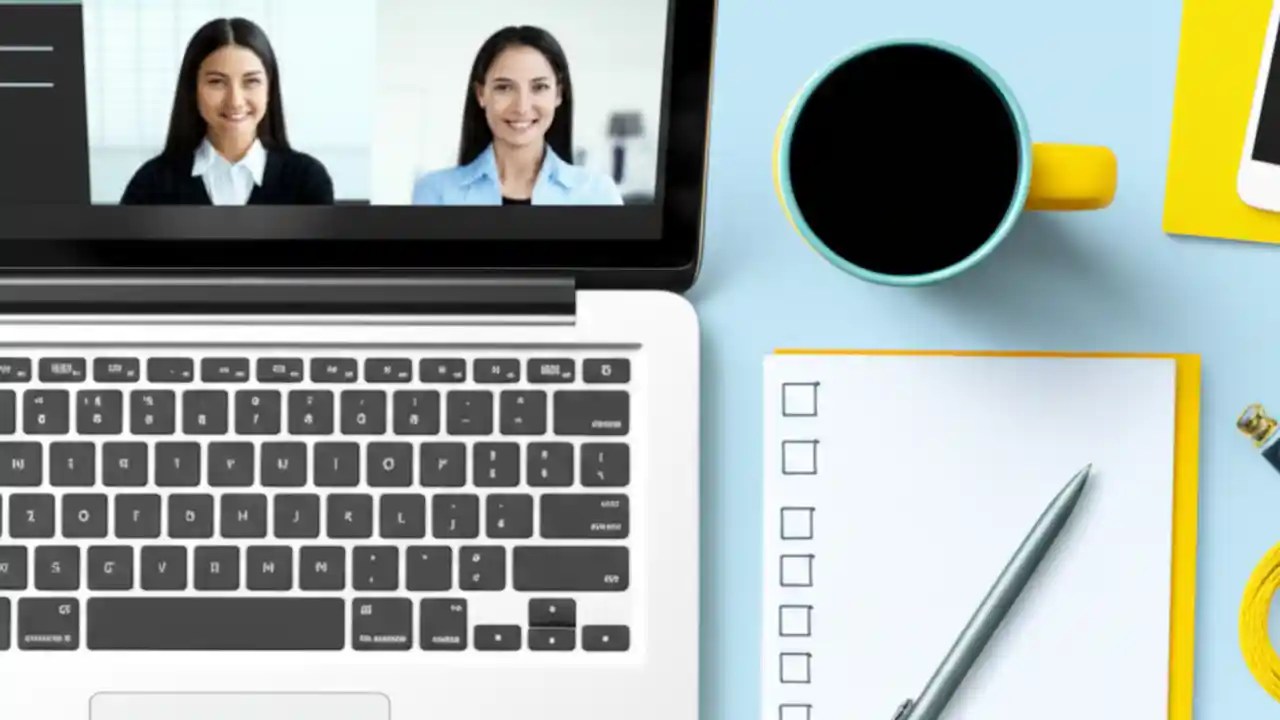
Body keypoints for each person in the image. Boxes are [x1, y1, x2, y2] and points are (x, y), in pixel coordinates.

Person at [120, 17, 334, 205]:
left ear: (270, 88)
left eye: (251, 81)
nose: (235, 101)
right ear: (193, 89)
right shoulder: (151, 184)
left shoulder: (307, 181)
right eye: (217, 82)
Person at [412, 25, 623, 206]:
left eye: (539, 87)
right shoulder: (435, 193)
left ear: (558, 94)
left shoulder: (597, 194)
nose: (522, 107)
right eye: (504, 88)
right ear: (480, 94)